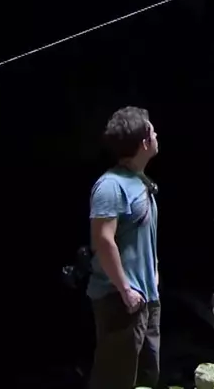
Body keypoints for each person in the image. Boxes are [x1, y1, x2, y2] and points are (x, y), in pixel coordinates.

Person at [87, 106, 161, 389]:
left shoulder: (140, 181)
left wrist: (153, 273)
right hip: (120, 299)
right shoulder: (111, 185)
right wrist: (126, 289)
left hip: (146, 297)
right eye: (152, 131)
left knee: (146, 376)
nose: (156, 135)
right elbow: (103, 240)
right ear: (144, 142)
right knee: (114, 379)